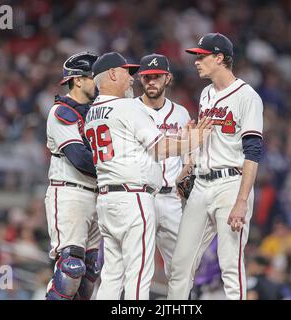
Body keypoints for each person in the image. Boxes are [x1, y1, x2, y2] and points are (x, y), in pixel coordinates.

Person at [85, 52, 212, 300]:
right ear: (112, 74)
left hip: (108, 198)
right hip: (134, 197)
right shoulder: (128, 107)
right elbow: (160, 148)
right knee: (139, 272)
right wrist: (193, 140)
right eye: (125, 72)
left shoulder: (93, 112)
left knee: (112, 274)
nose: (130, 78)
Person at [168, 33, 264, 300]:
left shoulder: (248, 97)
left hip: (231, 184)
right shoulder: (206, 95)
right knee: (180, 264)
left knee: (230, 266)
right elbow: (202, 141)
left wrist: (242, 200)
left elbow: (253, 152)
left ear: (219, 58)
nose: (196, 61)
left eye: (202, 56)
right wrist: (185, 171)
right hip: (200, 184)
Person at [44, 52, 102, 300]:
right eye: (93, 77)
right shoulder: (61, 111)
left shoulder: (100, 111)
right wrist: (117, 167)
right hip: (70, 191)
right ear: (78, 80)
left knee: (89, 272)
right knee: (71, 267)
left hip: (97, 194)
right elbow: (79, 158)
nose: (98, 83)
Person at [136, 53, 191, 281]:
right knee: (136, 265)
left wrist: (187, 187)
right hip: (141, 196)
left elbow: (190, 158)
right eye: (147, 77)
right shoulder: (130, 110)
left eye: (157, 76)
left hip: (171, 199)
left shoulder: (181, 113)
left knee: (182, 268)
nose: (151, 82)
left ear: (167, 78)